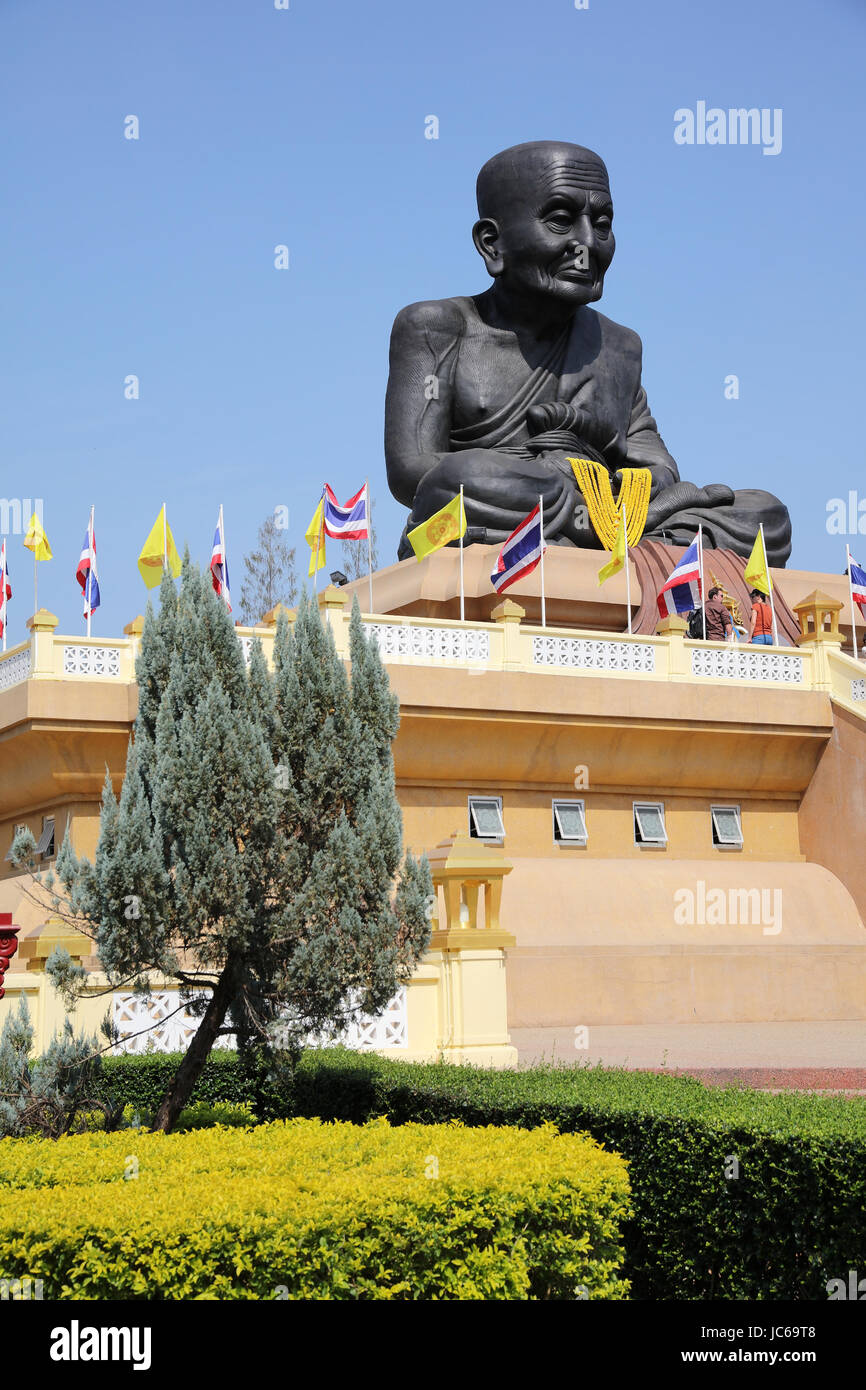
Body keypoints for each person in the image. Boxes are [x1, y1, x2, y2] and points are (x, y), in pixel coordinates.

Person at [385, 140, 792, 564]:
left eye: (602, 223)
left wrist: (602, 469)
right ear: (492, 244)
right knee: (463, 479)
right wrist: (552, 472)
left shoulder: (619, 346)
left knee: (764, 516)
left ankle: (595, 535)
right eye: (561, 220)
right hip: (494, 505)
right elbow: (412, 471)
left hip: (607, 511)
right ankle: (621, 538)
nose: (588, 243)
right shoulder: (437, 327)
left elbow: (660, 468)